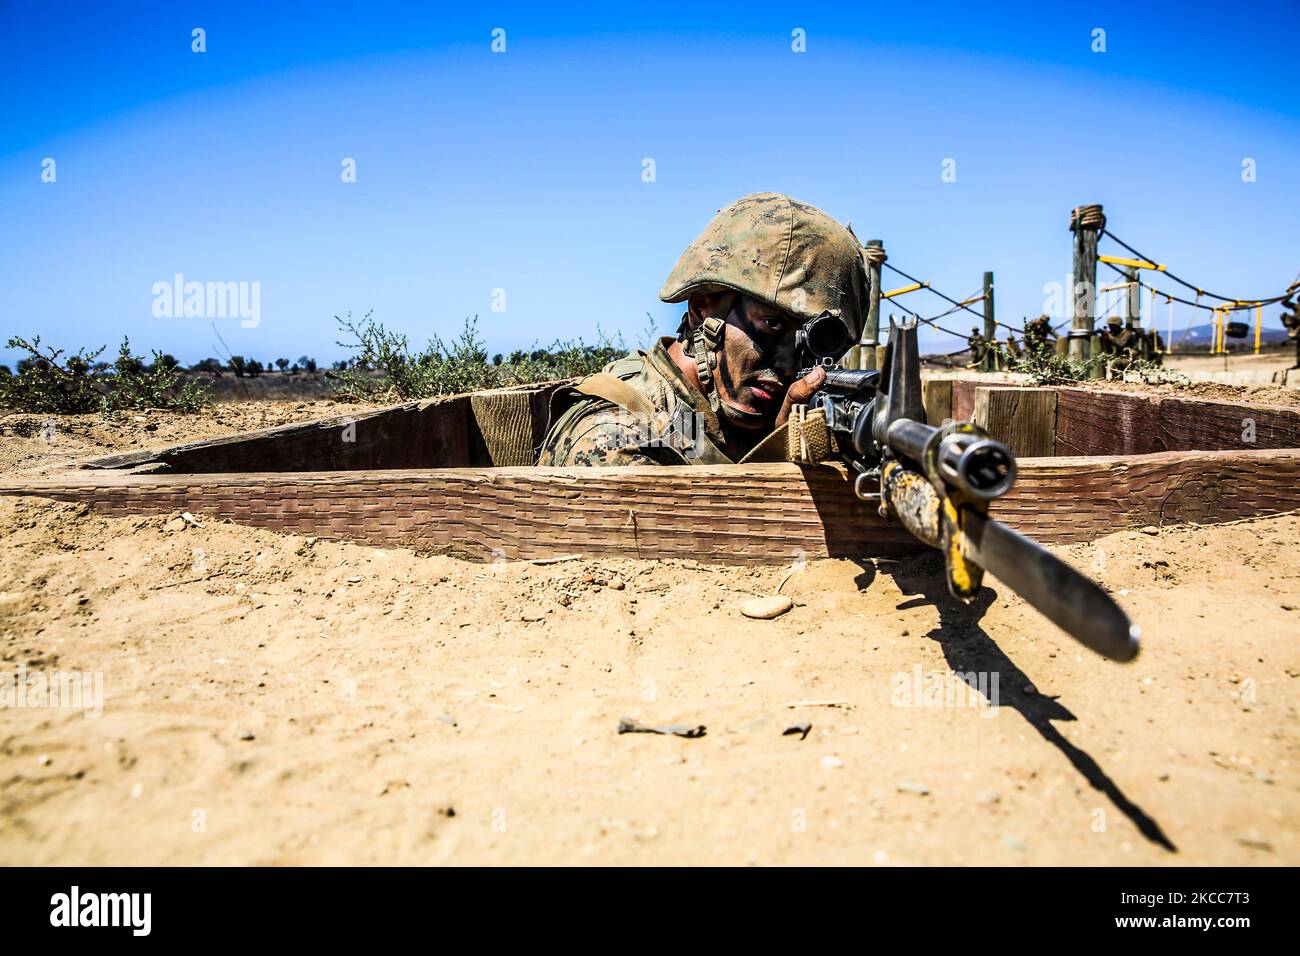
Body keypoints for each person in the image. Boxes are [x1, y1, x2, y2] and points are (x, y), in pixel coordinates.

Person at [538, 193, 870, 465]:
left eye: (815, 342)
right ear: (702, 305)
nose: (787, 364)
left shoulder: (711, 420)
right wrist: (778, 462)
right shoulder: (615, 440)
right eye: (771, 324)